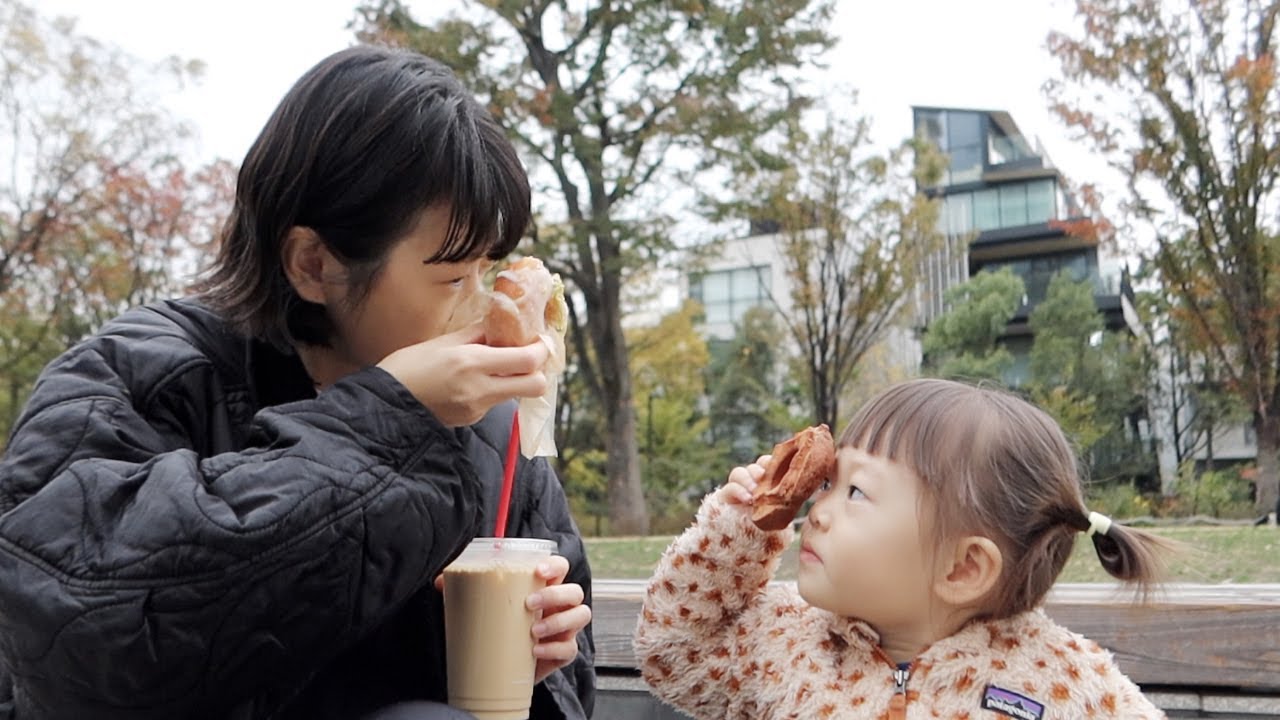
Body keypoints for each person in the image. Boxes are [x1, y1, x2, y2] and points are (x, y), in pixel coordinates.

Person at [0, 45, 593, 720]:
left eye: (489, 269)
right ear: (314, 264)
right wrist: (387, 423)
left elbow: (567, 684)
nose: (479, 305)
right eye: (454, 277)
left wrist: (537, 664)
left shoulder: (492, 429)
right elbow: (73, 630)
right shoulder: (143, 374)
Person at [635, 378, 1171, 719]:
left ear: (963, 568)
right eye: (828, 483)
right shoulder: (786, 645)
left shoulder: (1067, 686)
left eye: (856, 492)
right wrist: (739, 529)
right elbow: (675, 654)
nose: (817, 510)